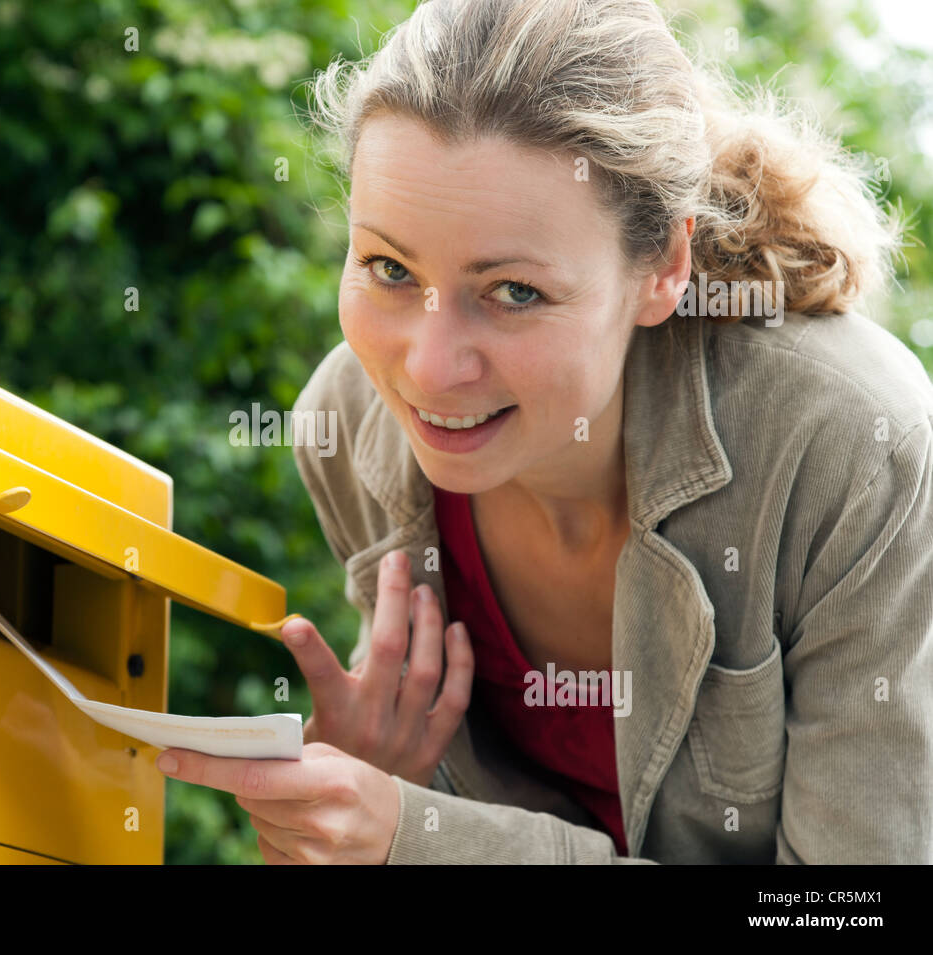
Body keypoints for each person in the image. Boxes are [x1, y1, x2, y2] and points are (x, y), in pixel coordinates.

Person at [156, 0, 933, 863]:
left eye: (515, 292)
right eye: (388, 268)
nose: (427, 369)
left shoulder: (857, 448)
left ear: (665, 269)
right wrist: (359, 810)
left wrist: (424, 837)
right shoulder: (349, 427)